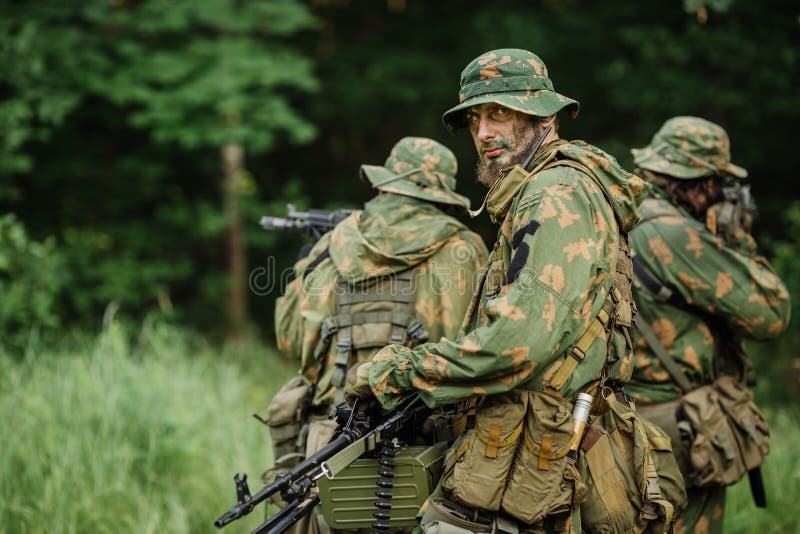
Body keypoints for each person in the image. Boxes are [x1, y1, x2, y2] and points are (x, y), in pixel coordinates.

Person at [346, 49, 684, 533]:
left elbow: (518, 346)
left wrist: (401, 370)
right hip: (537, 452)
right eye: (475, 118)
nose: (483, 133)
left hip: (542, 461)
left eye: (499, 112)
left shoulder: (556, 195)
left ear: (541, 112)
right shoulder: (544, 189)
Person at [265, 136, 488, 534]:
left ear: (385, 185)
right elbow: (487, 349)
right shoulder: (465, 251)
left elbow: (290, 343)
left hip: (328, 457)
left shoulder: (329, 247)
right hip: (431, 463)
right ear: (441, 194)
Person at [624, 116, 791, 534]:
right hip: (673, 431)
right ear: (697, 181)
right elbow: (771, 314)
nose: (720, 193)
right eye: (716, 182)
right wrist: (738, 242)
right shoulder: (673, 234)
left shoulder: (625, 212)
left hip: (619, 421)